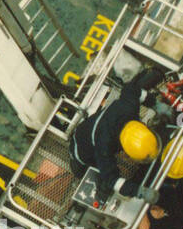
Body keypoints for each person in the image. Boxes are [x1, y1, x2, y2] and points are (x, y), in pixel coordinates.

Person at [69, 66, 165, 198]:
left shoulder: (128, 107)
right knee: (101, 184)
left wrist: (155, 104)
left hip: (93, 127)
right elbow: (111, 179)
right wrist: (139, 192)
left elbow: (131, 89)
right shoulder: (104, 144)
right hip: (81, 152)